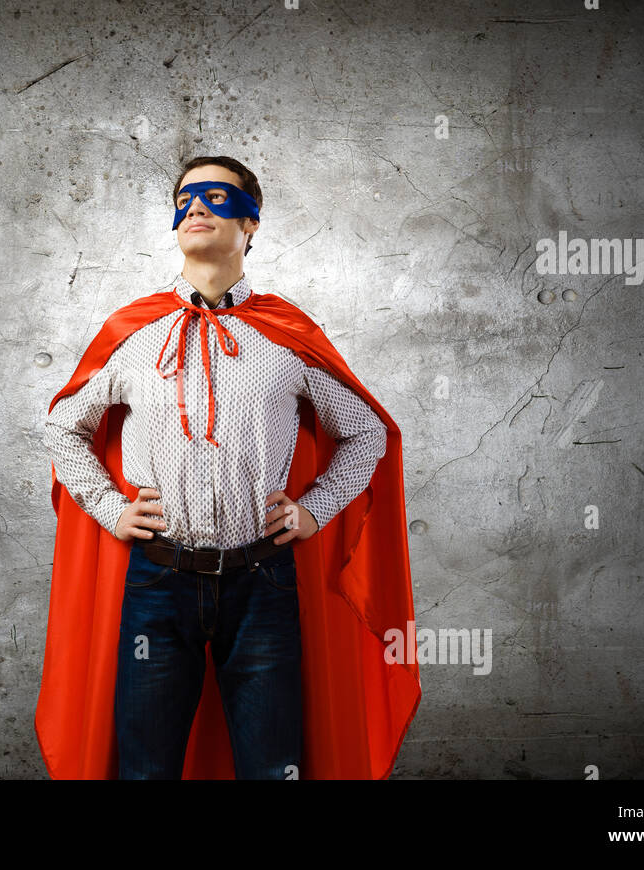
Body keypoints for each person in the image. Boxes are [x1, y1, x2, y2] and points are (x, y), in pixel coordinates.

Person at [37, 156, 421, 779]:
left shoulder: (285, 333)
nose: (195, 208)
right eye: (184, 199)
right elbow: (63, 424)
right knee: (144, 770)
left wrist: (314, 510)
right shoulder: (133, 332)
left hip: (261, 582)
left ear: (251, 226)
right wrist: (110, 509)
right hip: (157, 584)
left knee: (273, 768)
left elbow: (367, 430)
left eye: (215, 197)